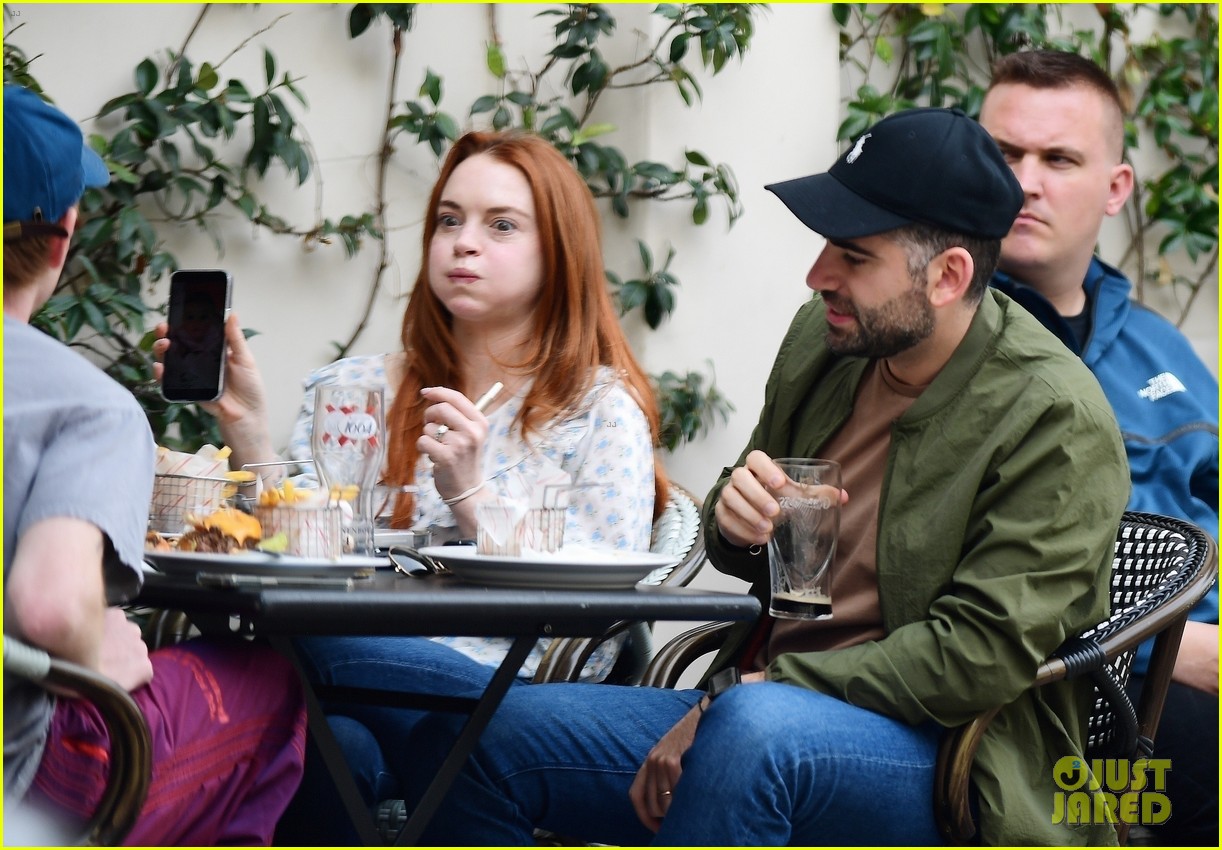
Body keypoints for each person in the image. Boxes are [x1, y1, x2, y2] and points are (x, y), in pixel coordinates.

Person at [397, 107, 1130, 846]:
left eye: (852, 255)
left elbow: (973, 656)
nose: (818, 276)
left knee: (750, 738)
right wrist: (733, 521)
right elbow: (741, 524)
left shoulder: (1054, 419)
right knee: (473, 741)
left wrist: (745, 698)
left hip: (949, 759)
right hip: (757, 702)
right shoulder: (825, 339)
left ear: (947, 276)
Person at [154, 130, 668, 838]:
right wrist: (249, 433)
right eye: (449, 220)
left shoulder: (599, 409)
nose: (464, 243)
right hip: (350, 679)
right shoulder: (357, 388)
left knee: (290, 647)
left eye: (502, 225)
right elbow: (302, 549)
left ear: (560, 252)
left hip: (508, 686)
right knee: (344, 749)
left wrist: (472, 495)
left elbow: (601, 605)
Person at [3, 84, 307, 845]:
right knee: (272, 684)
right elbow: (44, 608)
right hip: (25, 788)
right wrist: (87, 653)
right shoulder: (85, 407)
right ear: (62, 233)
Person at [980, 49, 1218, 846]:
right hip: (1077, 719)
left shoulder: (1165, 355)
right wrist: (1180, 647)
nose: (1025, 182)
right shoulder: (934, 345)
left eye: (1057, 158)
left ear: (1116, 188)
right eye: (1005, 155)